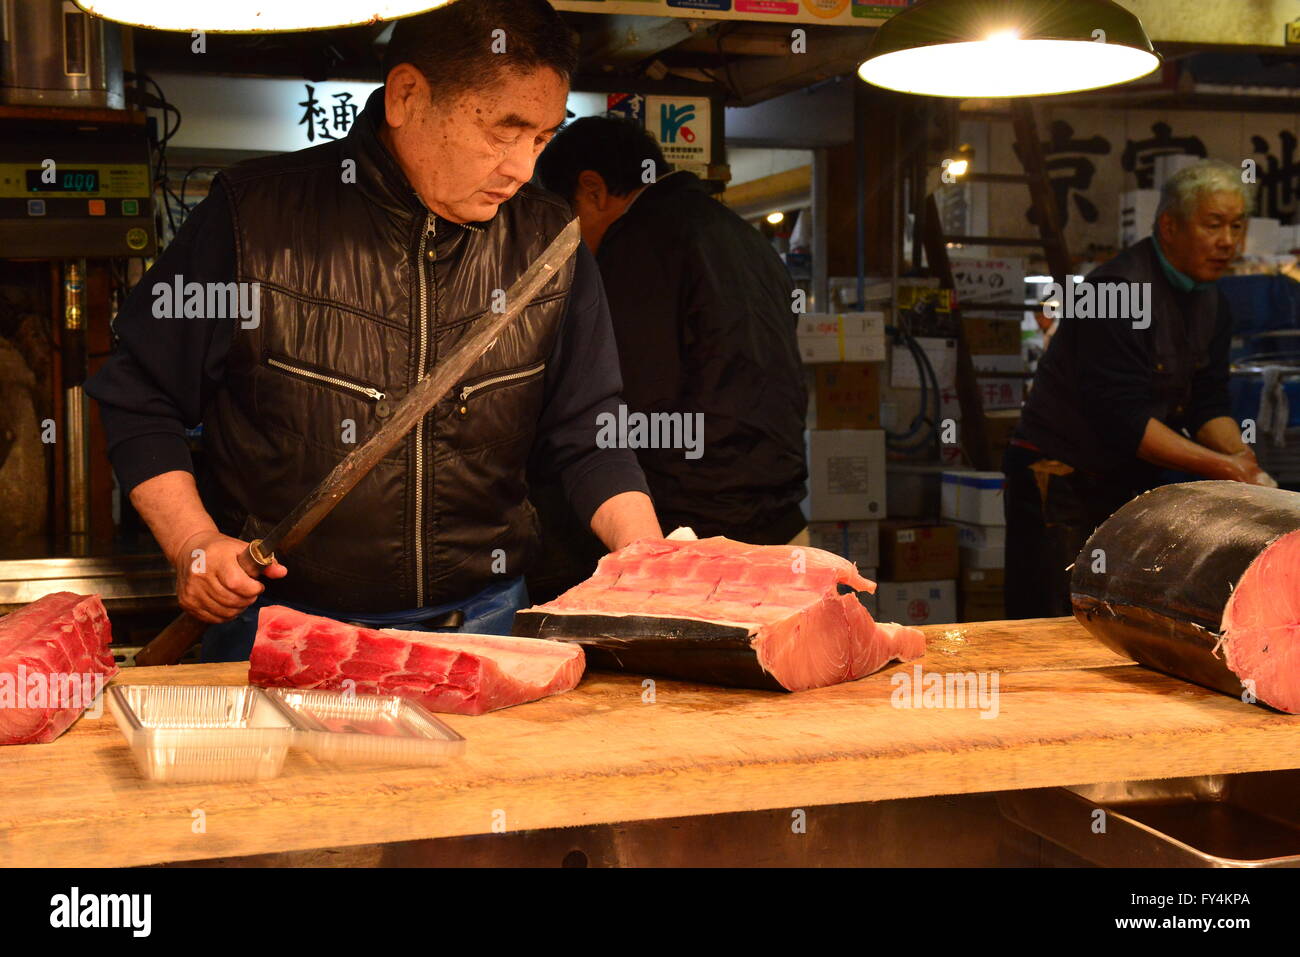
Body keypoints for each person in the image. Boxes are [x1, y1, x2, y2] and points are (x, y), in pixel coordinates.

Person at [85, 0, 660, 660]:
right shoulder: (255, 220)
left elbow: (589, 429)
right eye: (504, 132)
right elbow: (138, 392)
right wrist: (194, 542)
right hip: (278, 632)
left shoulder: (549, 246)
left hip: (481, 630)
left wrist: (647, 558)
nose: (523, 169)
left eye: (542, 138)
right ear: (408, 96)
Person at [528, 116, 808, 601]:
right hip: (778, 519)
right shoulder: (743, 235)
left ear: (592, 190)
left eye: (563, 216)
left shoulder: (636, 245)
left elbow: (618, 407)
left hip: (694, 537)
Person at [1005, 160, 1271, 618]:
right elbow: (1121, 419)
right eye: (1213, 225)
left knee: (1119, 619)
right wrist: (1222, 466)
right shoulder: (1113, 290)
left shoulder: (1212, 300)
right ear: (1169, 226)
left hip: (1126, 481)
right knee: (1053, 619)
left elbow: (1207, 402)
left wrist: (1245, 462)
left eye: (1236, 225)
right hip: (1061, 480)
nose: (1228, 241)